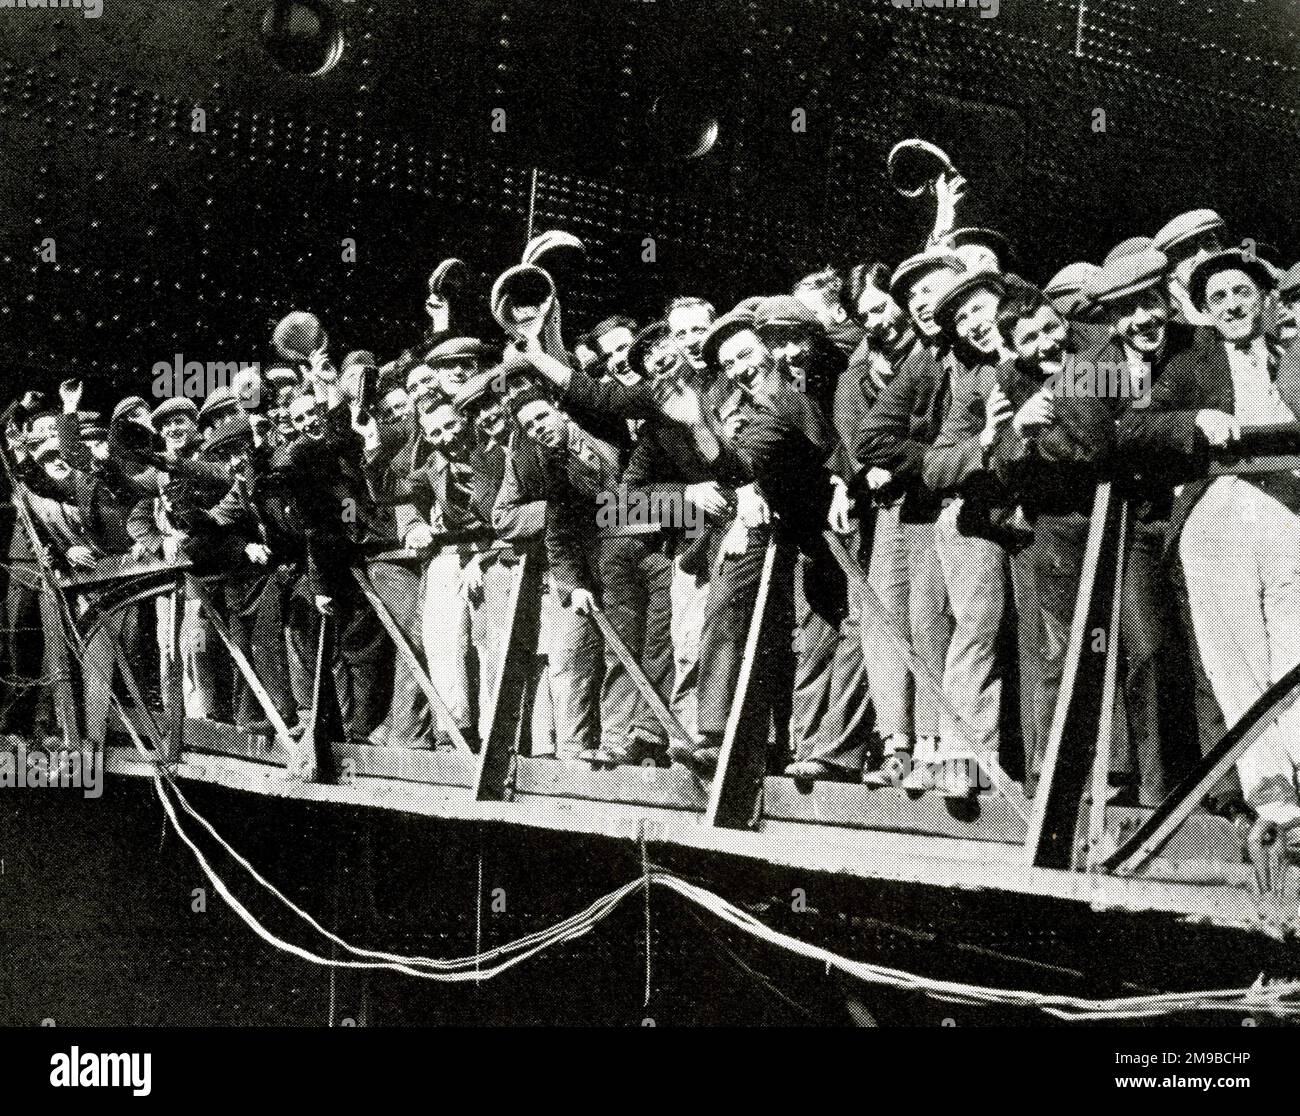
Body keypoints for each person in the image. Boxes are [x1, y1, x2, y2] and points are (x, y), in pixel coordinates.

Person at [1120, 248, 1300, 836]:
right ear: (1203, 309)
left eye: (1240, 292)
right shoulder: (1191, 354)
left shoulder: (1290, 350)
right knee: (1235, 655)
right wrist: (1193, 421)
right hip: (1218, 512)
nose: (1230, 306)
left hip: (1288, 508)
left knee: (1294, 650)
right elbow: (1133, 424)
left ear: (1264, 296)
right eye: (1217, 298)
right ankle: (1272, 794)